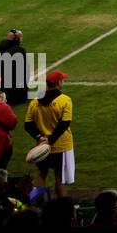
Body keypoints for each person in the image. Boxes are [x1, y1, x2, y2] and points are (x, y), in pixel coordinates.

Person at [24, 70, 74, 199]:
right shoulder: (65, 100)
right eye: (62, 80)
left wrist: (40, 138)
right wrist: (51, 140)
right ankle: (62, 206)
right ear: (58, 83)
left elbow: (28, 125)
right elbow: (64, 124)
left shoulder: (35, 101)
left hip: (42, 147)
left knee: (41, 173)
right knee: (60, 177)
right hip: (61, 146)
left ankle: (38, 202)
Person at [0, 30, 29, 108]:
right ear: (16, 39)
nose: (21, 40)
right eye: (20, 38)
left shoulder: (2, 45)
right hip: (15, 90)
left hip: (1, 85)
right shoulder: (20, 51)